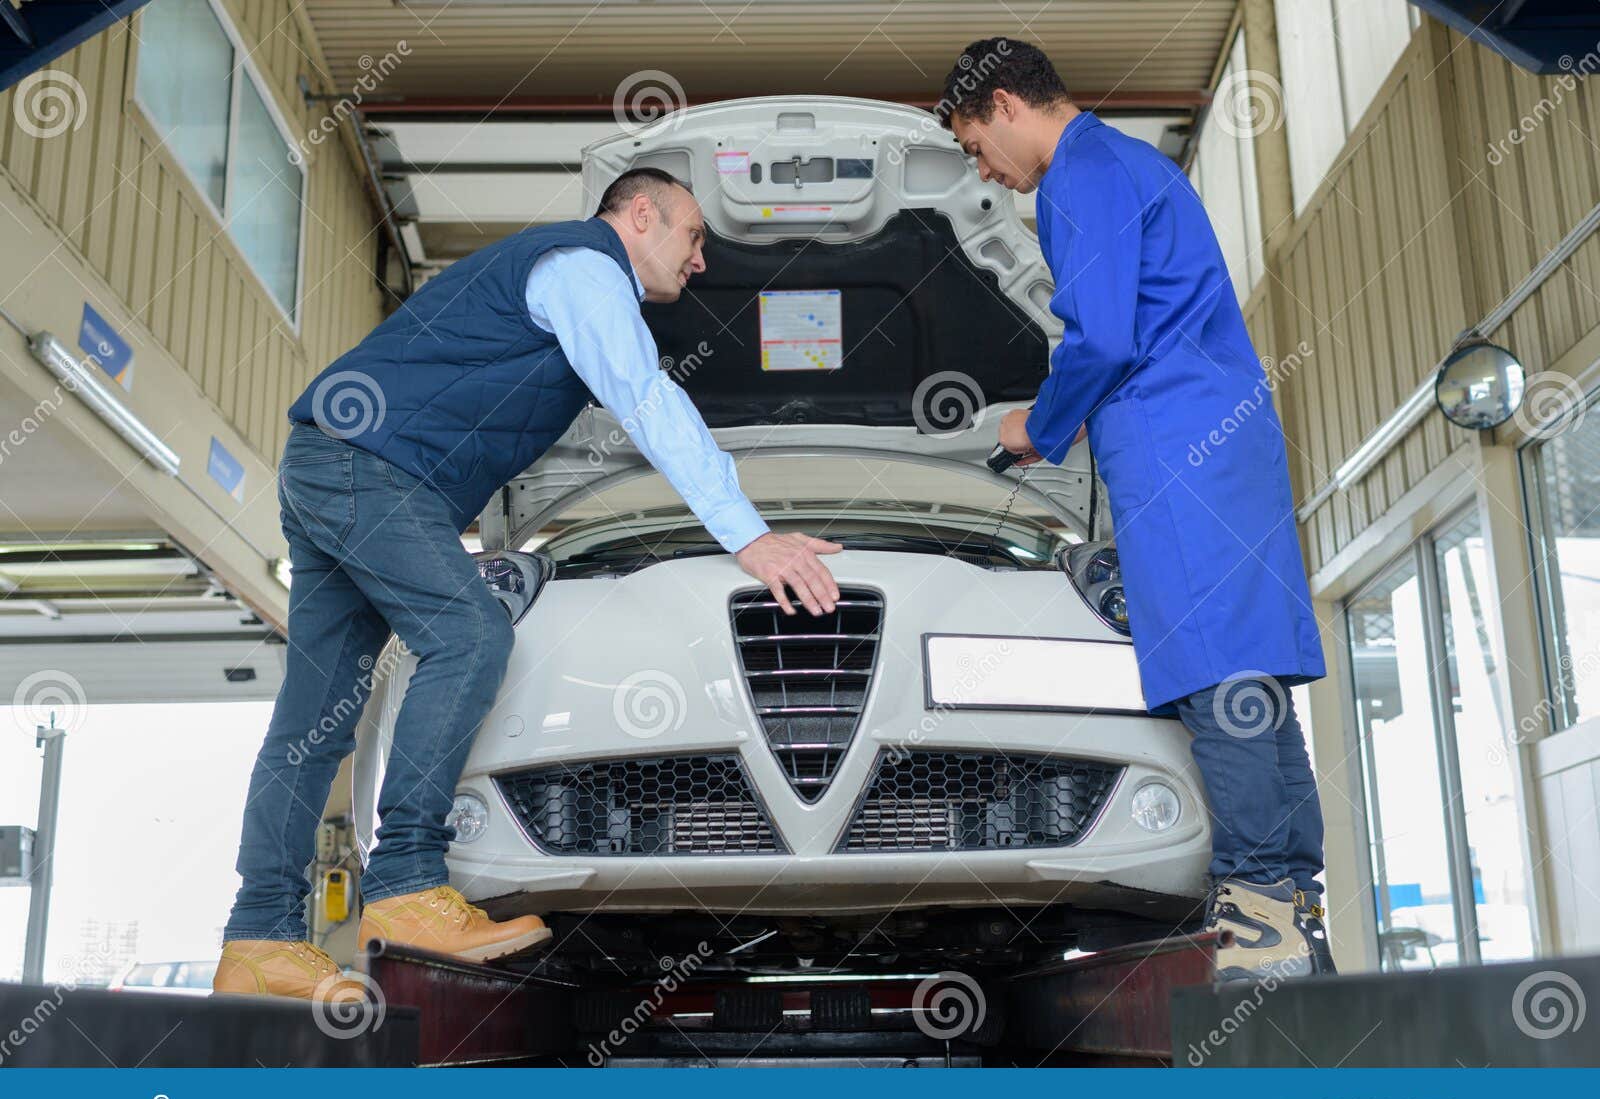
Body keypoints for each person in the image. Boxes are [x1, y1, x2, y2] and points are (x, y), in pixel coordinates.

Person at [213, 169, 841, 1002]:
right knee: (470, 634)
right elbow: (646, 398)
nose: (700, 263)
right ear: (642, 213)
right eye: (694, 236)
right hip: (368, 469)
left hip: (337, 462)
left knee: (316, 715)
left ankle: (258, 942)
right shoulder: (584, 267)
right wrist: (750, 537)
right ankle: (404, 887)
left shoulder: (552, 281)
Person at [939, 39, 1335, 981]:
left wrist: (1042, 421)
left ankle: (1257, 914)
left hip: (1175, 447)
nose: (984, 172)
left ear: (1002, 105)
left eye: (972, 147)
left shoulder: (1081, 175)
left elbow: (1103, 334)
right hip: (1217, 440)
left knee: (1214, 678)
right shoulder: (1126, 164)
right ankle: (1290, 903)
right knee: (1252, 679)